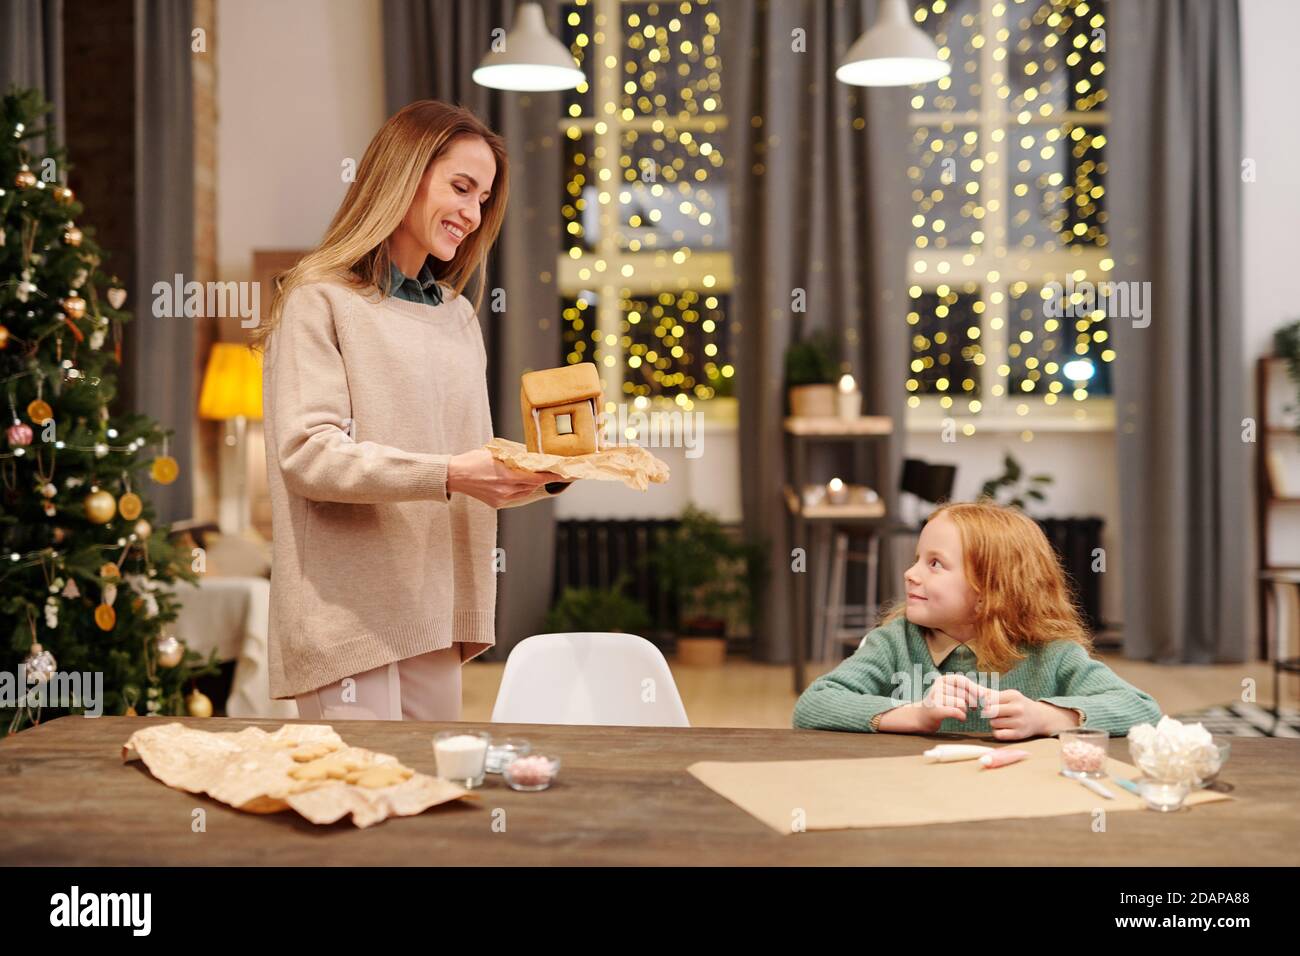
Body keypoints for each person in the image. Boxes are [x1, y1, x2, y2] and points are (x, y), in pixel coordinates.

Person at [253, 99, 580, 722]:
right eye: (460, 187)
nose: (472, 213)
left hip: (435, 611)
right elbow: (308, 456)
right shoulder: (318, 299)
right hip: (346, 617)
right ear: (404, 174)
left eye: (482, 197)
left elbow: (465, 462)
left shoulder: (455, 315)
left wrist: (553, 469)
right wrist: (454, 473)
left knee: (432, 801)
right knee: (358, 808)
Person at [793, 501, 1161, 737]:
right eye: (917, 558)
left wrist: (1047, 717)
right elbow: (813, 705)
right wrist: (915, 715)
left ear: (991, 590)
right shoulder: (895, 641)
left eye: (934, 564)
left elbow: (1143, 710)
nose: (910, 573)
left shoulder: (1051, 652)